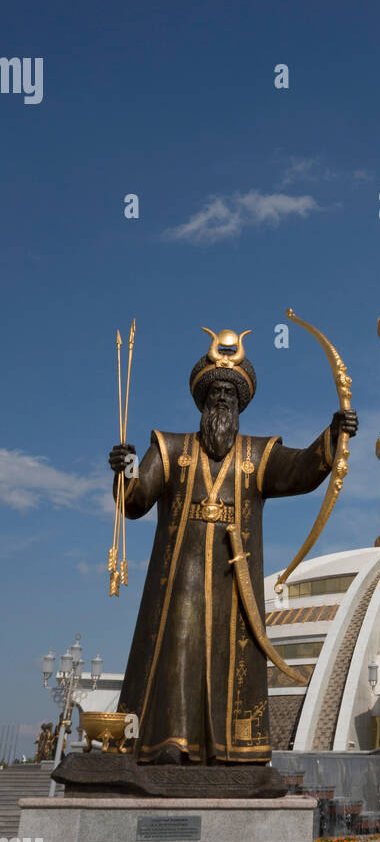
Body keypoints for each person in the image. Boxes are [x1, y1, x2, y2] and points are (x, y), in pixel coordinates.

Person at [108, 328, 357, 766]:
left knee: (232, 657)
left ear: (241, 404)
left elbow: (301, 469)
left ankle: (230, 748)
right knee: (179, 643)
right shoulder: (170, 448)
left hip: (235, 577)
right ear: (202, 401)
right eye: (216, 392)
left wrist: (333, 434)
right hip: (181, 573)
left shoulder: (258, 455)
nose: (222, 399)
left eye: (230, 394)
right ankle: (173, 741)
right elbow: (134, 501)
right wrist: (125, 465)